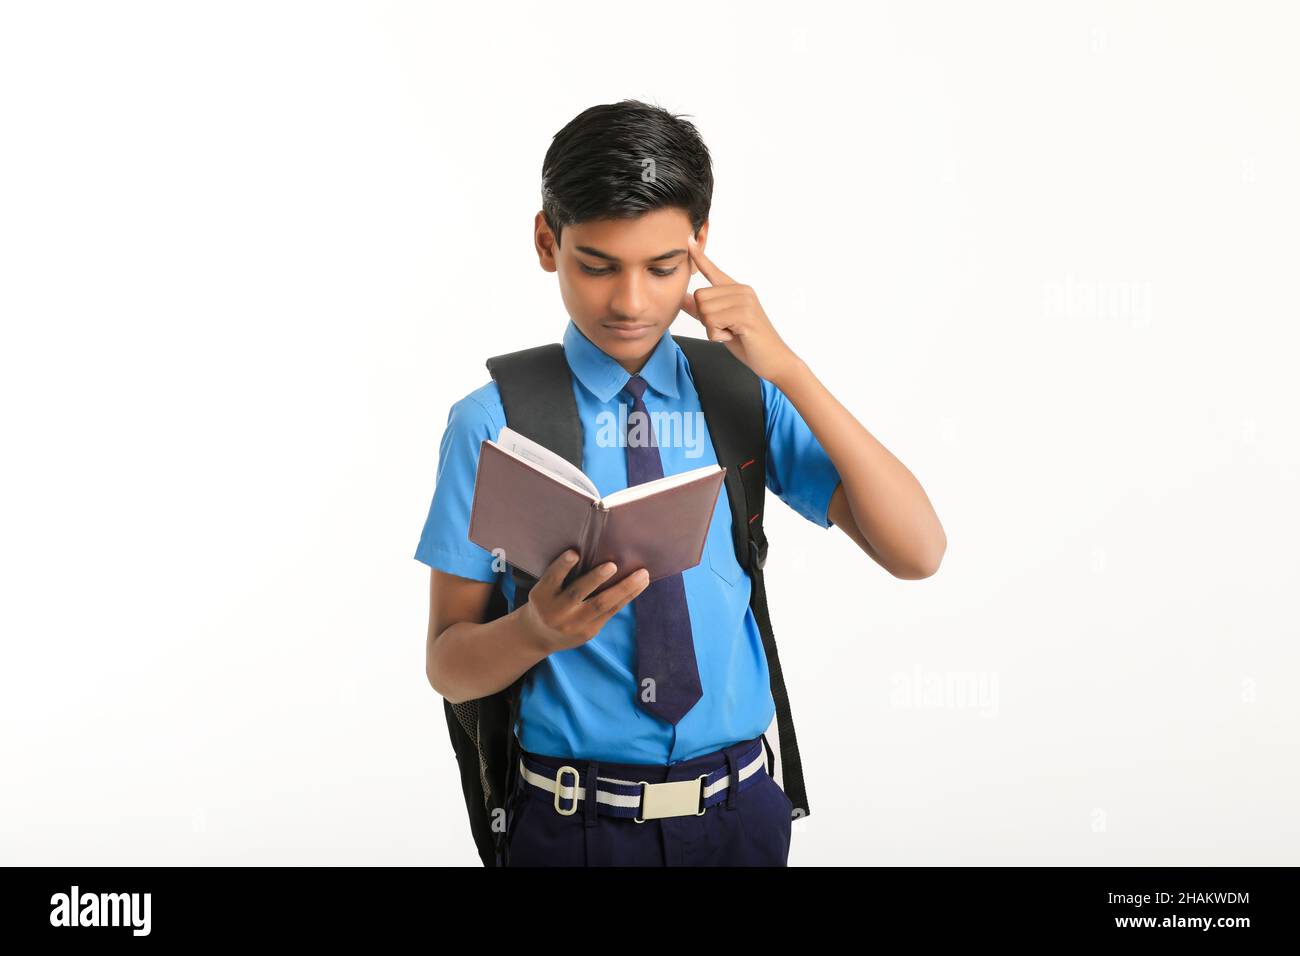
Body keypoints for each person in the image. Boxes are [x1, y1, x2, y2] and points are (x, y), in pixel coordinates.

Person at [416, 99, 946, 866]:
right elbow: (446, 661)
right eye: (596, 265)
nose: (630, 301)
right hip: (574, 826)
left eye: (663, 267)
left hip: (740, 812)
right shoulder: (492, 424)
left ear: (700, 247)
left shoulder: (741, 393)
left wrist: (788, 368)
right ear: (546, 241)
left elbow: (919, 550)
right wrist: (536, 631)